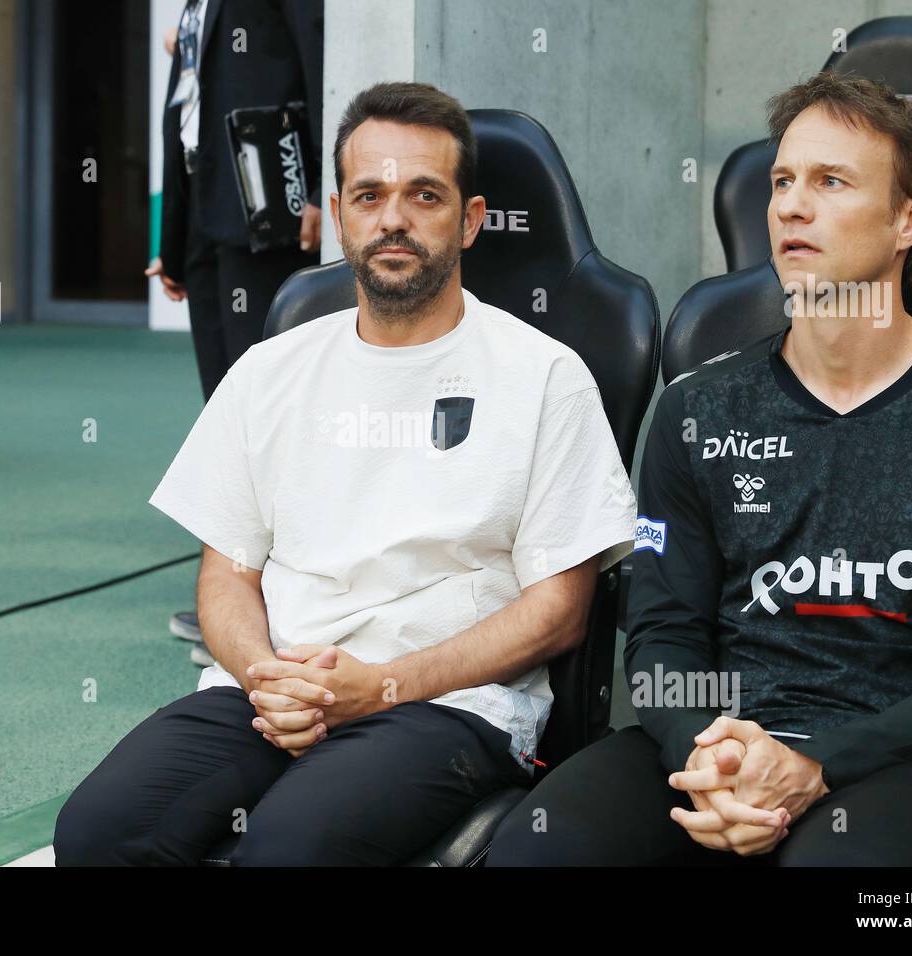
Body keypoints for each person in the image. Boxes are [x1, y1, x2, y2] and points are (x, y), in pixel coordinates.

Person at [53, 81, 637, 866]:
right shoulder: (272, 370)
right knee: (96, 833)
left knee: (289, 851)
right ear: (339, 215)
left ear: (468, 220)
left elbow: (561, 612)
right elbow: (227, 575)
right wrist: (265, 675)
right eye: (370, 194)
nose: (393, 217)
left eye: (423, 194)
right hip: (271, 694)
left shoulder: (543, 377)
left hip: (447, 705)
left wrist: (384, 685)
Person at [488, 72, 912, 866]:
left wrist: (817, 768)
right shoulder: (696, 409)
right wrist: (705, 754)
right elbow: (661, 639)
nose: (789, 206)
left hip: (908, 757)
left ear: (909, 220)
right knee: (540, 852)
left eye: (830, 182)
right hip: (723, 733)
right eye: (782, 181)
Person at [144, 1, 325, 664]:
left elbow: (317, 58)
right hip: (209, 216)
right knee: (226, 414)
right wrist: (174, 234)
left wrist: (316, 187)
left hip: (268, 211)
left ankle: (276, 609)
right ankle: (235, 601)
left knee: (269, 415)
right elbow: (186, 104)